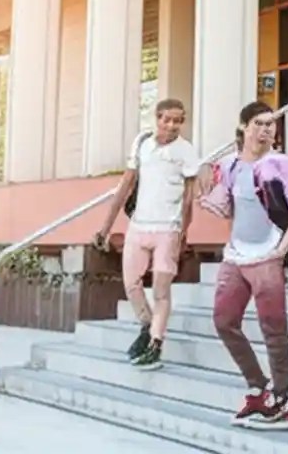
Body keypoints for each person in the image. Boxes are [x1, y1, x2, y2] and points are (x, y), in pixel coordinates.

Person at [201, 101, 288, 430]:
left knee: (274, 328)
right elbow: (226, 200)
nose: (266, 129)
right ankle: (258, 385)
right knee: (223, 320)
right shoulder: (231, 164)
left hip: (268, 255)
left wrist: (281, 251)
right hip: (236, 254)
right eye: (259, 123)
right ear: (245, 127)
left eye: (271, 123)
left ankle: (282, 397)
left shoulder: (283, 164)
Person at [94, 99, 205, 371]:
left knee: (161, 290)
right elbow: (125, 186)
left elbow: (189, 198)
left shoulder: (186, 151)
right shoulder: (142, 144)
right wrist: (105, 227)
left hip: (168, 229)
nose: (172, 125)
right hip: (139, 226)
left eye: (178, 120)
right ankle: (147, 326)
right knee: (131, 284)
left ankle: (156, 344)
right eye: (166, 119)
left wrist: (183, 232)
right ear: (157, 119)